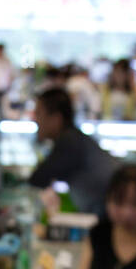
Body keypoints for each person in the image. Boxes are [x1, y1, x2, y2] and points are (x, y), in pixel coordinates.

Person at [27, 86, 116, 217]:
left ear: (56, 118)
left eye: (39, 113)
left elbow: (39, 178)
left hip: (106, 214)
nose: (34, 119)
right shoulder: (74, 138)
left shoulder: (69, 141)